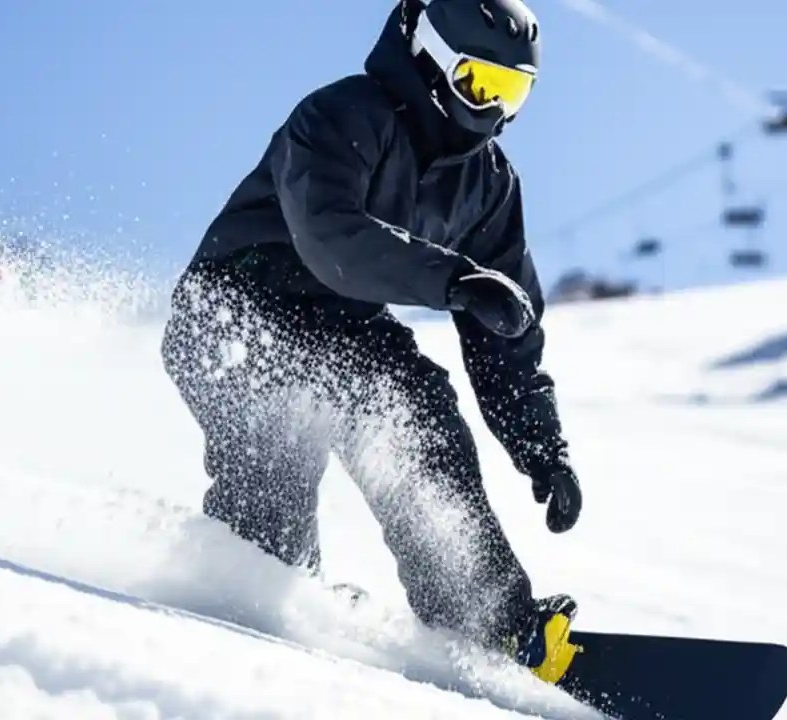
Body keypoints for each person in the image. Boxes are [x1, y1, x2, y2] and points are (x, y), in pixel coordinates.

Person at [161, 0, 584, 683]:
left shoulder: (490, 186)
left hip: (338, 324)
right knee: (281, 434)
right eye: (481, 84)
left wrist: (542, 447)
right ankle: (255, 595)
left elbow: (507, 327)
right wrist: (452, 280)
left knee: (415, 411)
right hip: (233, 308)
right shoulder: (339, 118)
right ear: (433, 60)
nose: (494, 112)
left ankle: (488, 626)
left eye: (513, 94)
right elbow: (332, 240)